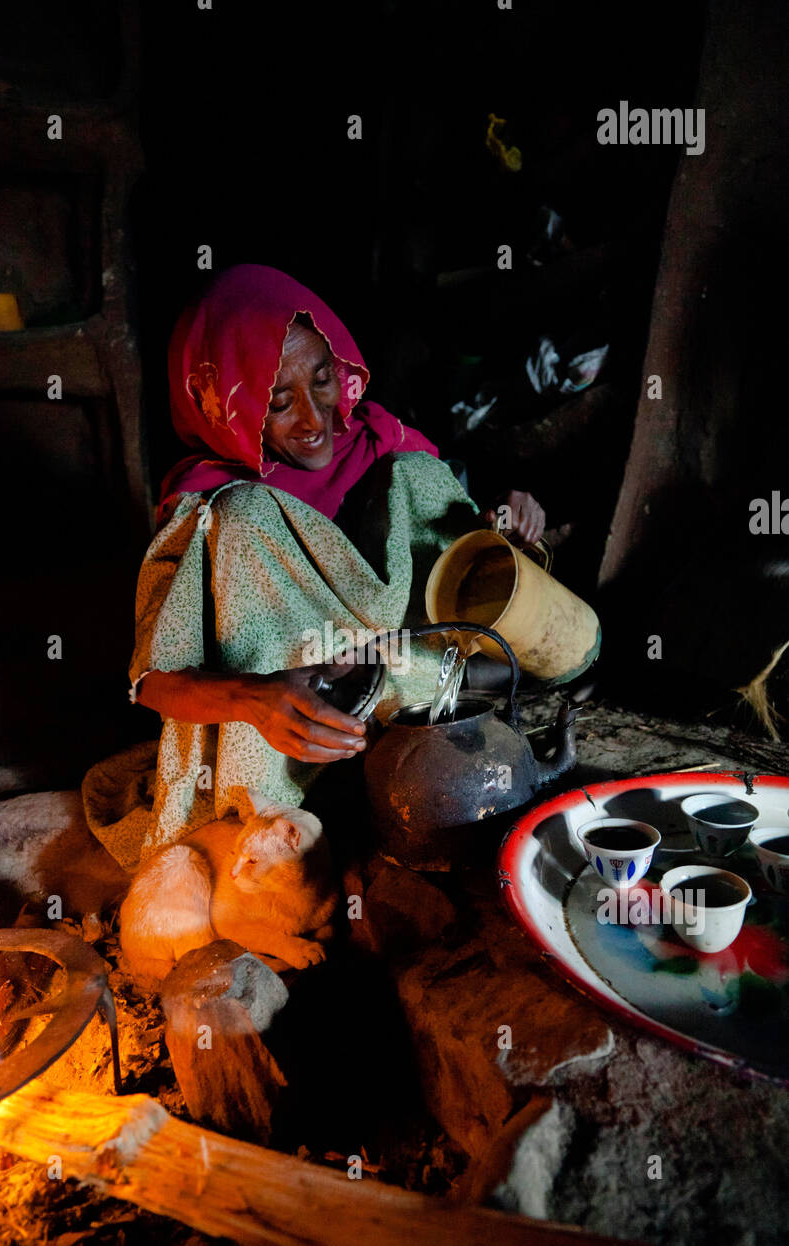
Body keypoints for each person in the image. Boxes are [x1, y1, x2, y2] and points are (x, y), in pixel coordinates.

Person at [82, 265, 545, 871]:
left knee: (420, 478)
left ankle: (422, 771)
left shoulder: (386, 448)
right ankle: (273, 840)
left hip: (416, 740)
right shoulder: (213, 506)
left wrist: (507, 531)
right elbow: (153, 677)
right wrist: (255, 699)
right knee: (244, 511)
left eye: (322, 379)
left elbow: (468, 579)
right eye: (278, 402)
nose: (313, 416)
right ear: (222, 406)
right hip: (287, 757)